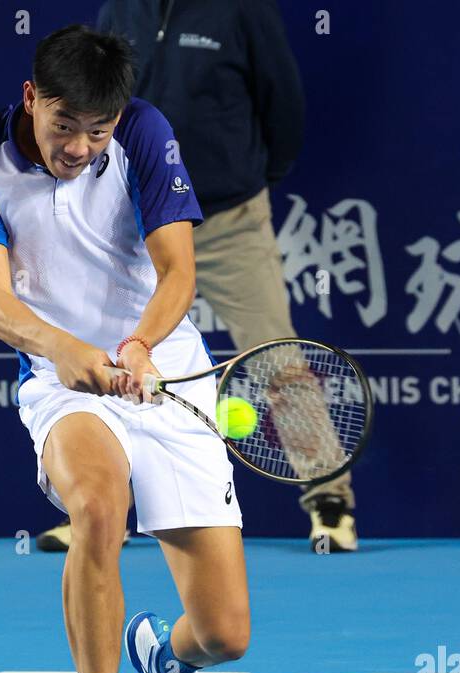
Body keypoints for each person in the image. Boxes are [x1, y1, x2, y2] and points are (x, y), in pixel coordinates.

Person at [0, 25, 250, 673]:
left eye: (97, 131)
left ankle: (166, 668)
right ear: (30, 98)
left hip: (163, 369)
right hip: (64, 383)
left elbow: (179, 269)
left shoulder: (145, 132)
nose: (80, 147)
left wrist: (141, 345)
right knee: (97, 507)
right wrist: (65, 349)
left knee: (224, 634)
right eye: (63, 126)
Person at [36, 0, 358, 555]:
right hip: (132, 225)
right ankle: (96, 504)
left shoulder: (242, 11)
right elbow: (94, 100)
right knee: (107, 357)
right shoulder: (121, 9)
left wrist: (245, 177)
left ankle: (329, 499)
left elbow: (284, 106)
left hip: (228, 217)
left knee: (276, 357)